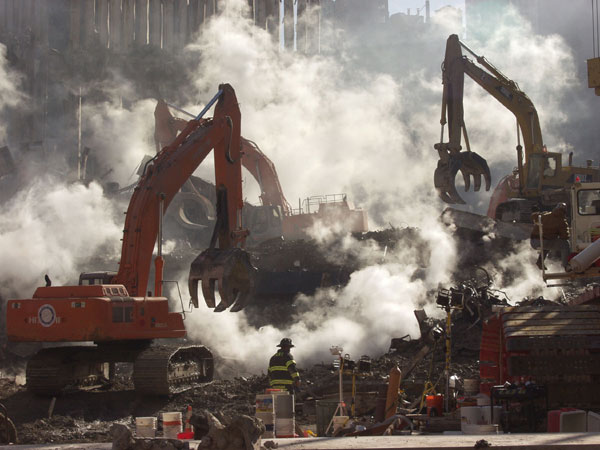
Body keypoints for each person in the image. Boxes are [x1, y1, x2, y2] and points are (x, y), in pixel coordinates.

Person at [530, 203, 571, 270]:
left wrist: (537, 213)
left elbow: (534, 216)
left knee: (547, 243)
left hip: (533, 241)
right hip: (545, 241)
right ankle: (566, 265)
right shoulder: (562, 221)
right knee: (565, 244)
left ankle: (540, 261)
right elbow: (565, 237)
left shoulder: (545, 215)